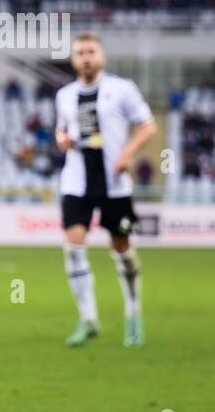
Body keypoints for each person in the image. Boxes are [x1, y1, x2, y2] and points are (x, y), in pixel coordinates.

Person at [55, 33, 155, 347]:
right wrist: (62, 140)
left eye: (91, 51)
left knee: (123, 250)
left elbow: (148, 126)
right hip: (77, 183)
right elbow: (61, 130)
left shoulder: (121, 89)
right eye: (80, 52)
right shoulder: (65, 95)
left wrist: (127, 153)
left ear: (102, 57)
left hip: (114, 185)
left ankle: (133, 314)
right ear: (73, 60)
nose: (85, 57)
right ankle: (88, 319)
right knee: (73, 247)